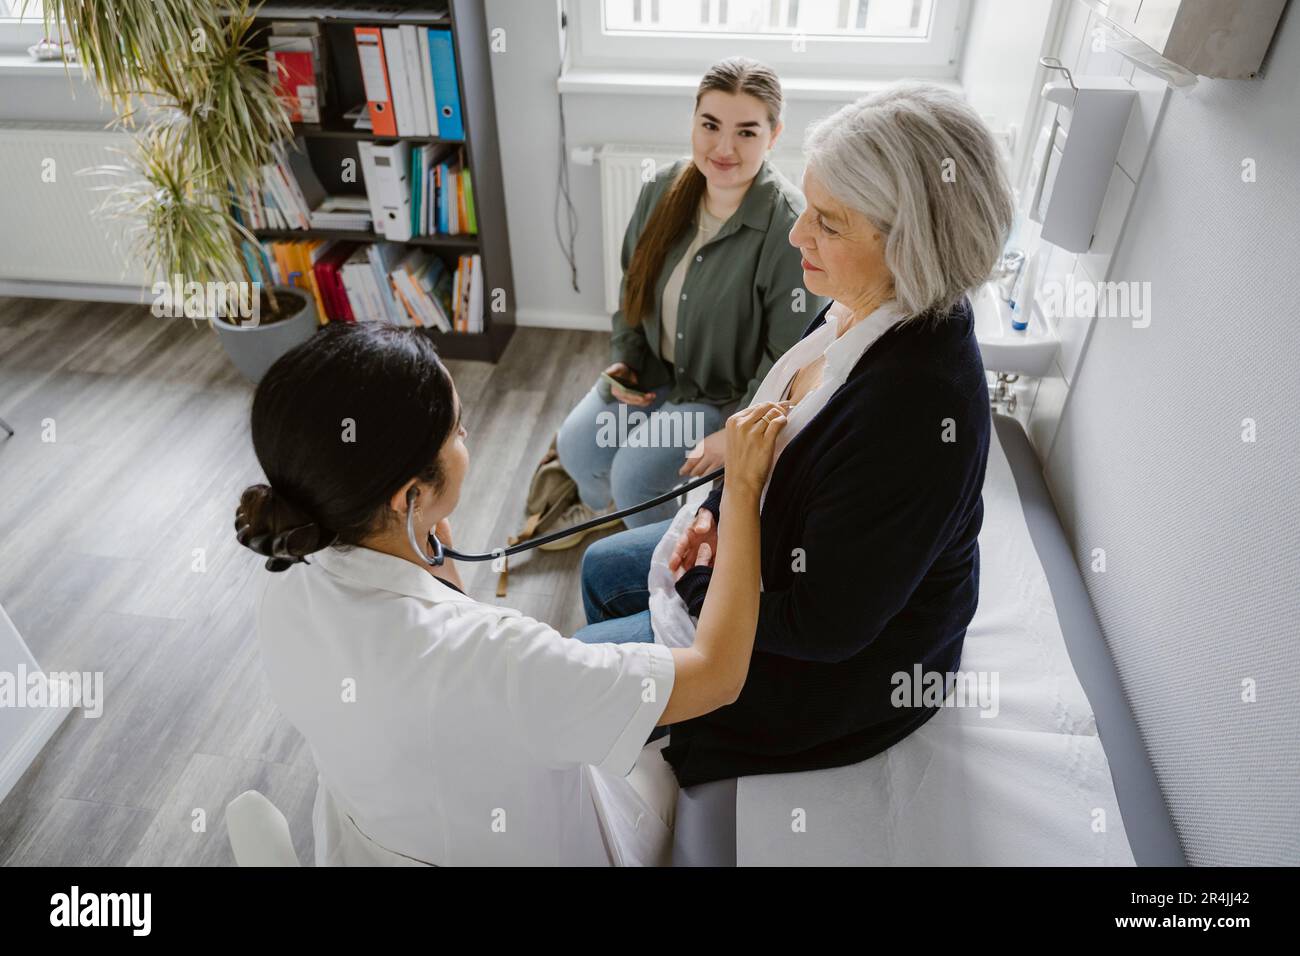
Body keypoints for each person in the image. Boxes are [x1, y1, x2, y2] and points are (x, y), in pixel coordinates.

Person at [575, 82, 1016, 795]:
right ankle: (630, 745)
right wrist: (718, 510)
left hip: (827, 670)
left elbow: (826, 628)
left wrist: (698, 578)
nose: (796, 234)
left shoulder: (914, 414)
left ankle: (632, 759)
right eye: (809, 207)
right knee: (600, 569)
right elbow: (767, 426)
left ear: (911, 245)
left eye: (829, 222)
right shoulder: (858, 304)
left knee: (573, 681)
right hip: (764, 545)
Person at [234, 322, 788, 866]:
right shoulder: (499, 658)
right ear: (410, 496)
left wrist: (436, 576)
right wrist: (740, 488)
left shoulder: (286, 591)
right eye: (456, 430)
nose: (466, 438)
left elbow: (424, 686)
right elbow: (718, 675)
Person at [549, 56, 823, 545]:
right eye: (710, 125)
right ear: (693, 120)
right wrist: (625, 361)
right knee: (577, 449)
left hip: (723, 397)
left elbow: (787, 360)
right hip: (654, 374)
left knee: (634, 476)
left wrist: (734, 437)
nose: (723, 147)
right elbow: (631, 288)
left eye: (746, 132)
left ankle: (659, 571)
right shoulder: (661, 188)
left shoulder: (786, 225)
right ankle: (611, 517)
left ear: (774, 135)